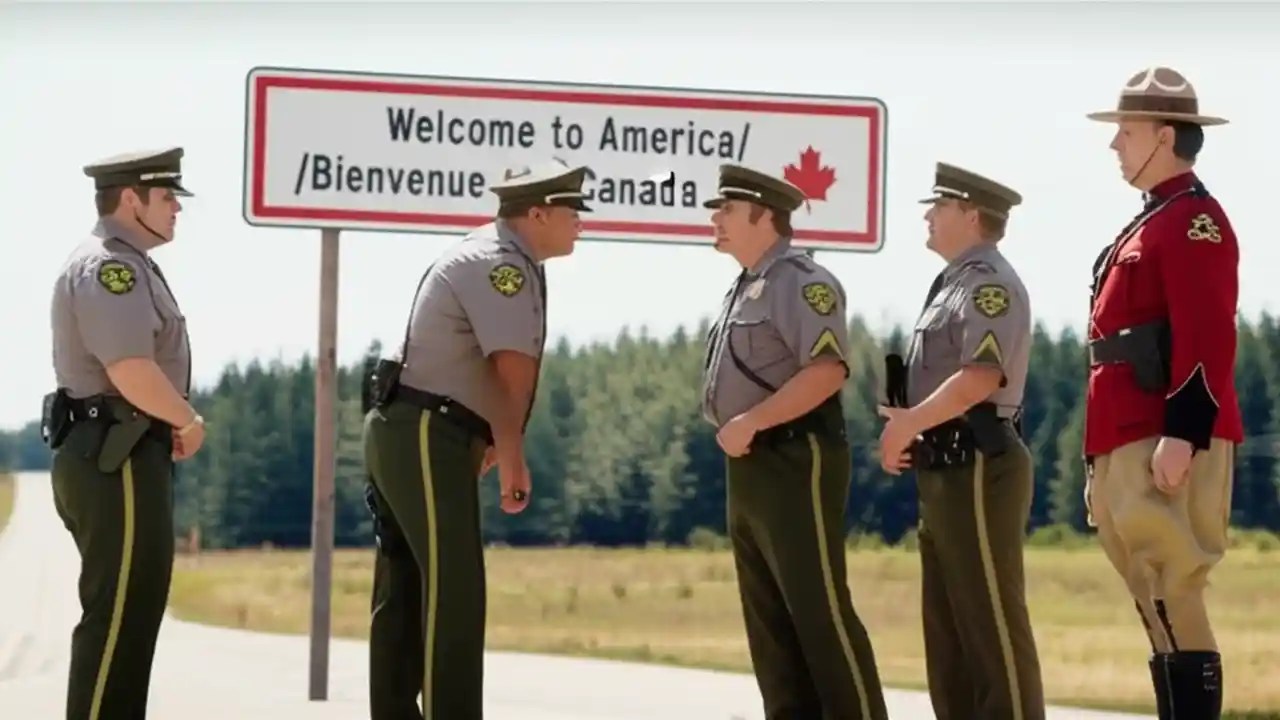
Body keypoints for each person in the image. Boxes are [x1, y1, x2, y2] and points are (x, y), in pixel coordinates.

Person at [361, 158, 590, 719]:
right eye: (572, 211)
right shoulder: (500, 264)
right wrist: (512, 456)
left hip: (416, 429)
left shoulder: (505, 257)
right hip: (424, 430)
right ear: (537, 213)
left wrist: (487, 442)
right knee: (454, 593)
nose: (581, 222)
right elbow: (509, 374)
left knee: (410, 589)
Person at [1081, 66, 1242, 719]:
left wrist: (1185, 430)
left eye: (1126, 130)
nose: (1114, 143)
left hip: (1167, 431)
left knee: (1174, 587)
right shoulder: (1154, 220)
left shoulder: (1193, 221)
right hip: (1127, 431)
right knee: (1150, 593)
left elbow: (1206, 333)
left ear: (1165, 136)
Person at [701, 163, 889, 720]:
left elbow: (827, 371)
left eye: (728, 209)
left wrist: (754, 421)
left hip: (794, 456)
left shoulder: (800, 281)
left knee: (818, 611)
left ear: (765, 216)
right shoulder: (746, 284)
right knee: (769, 622)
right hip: (751, 462)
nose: (716, 218)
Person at [41, 147, 206, 720]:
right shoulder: (111, 266)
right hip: (117, 455)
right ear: (130, 199)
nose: (176, 210)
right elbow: (130, 369)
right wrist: (186, 418)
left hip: (122, 448)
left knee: (129, 617)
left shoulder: (125, 261)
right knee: (118, 619)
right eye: (167, 198)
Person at [877, 162, 1045, 720]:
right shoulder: (953, 284)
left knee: (989, 624)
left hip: (977, 462)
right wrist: (909, 427)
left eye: (939, 206)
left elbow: (980, 377)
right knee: (948, 635)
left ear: (970, 215)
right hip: (945, 465)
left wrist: (911, 420)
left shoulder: (988, 284)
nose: (928, 215)